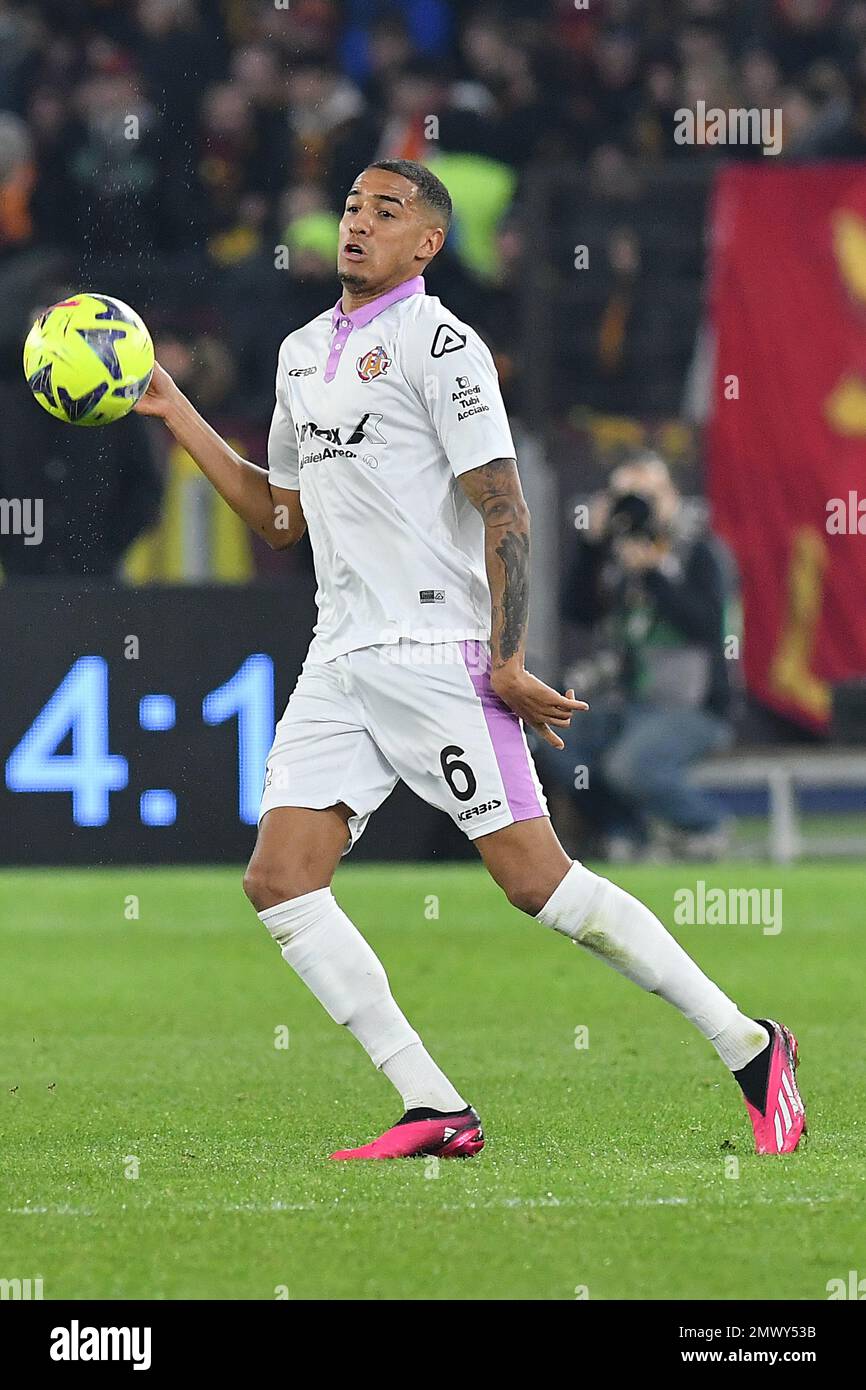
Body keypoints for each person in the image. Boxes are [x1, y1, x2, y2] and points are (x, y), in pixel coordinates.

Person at [134, 160, 805, 1159]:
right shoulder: (299, 351)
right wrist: (177, 407)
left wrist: (504, 655)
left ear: (427, 244)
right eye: (352, 207)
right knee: (280, 877)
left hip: (430, 650)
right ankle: (430, 1104)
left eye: (385, 212)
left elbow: (503, 504)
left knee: (538, 884)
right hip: (340, 655)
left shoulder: (441, 346)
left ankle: (748, 1044)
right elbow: (281, 516)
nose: (357, 223)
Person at [539, 454, 736, 861]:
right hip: (622, 703)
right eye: (625, 496)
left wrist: (655, 572)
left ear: (672, 496)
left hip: (691, 708)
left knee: (628, 766)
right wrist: (593, 546)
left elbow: (708, 625)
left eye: (647, 495)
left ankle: (706, 823)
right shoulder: (614, 556)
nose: (636, 506)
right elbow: (576, 611)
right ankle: (627, 834)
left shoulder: (700, 553)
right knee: (551, 743)